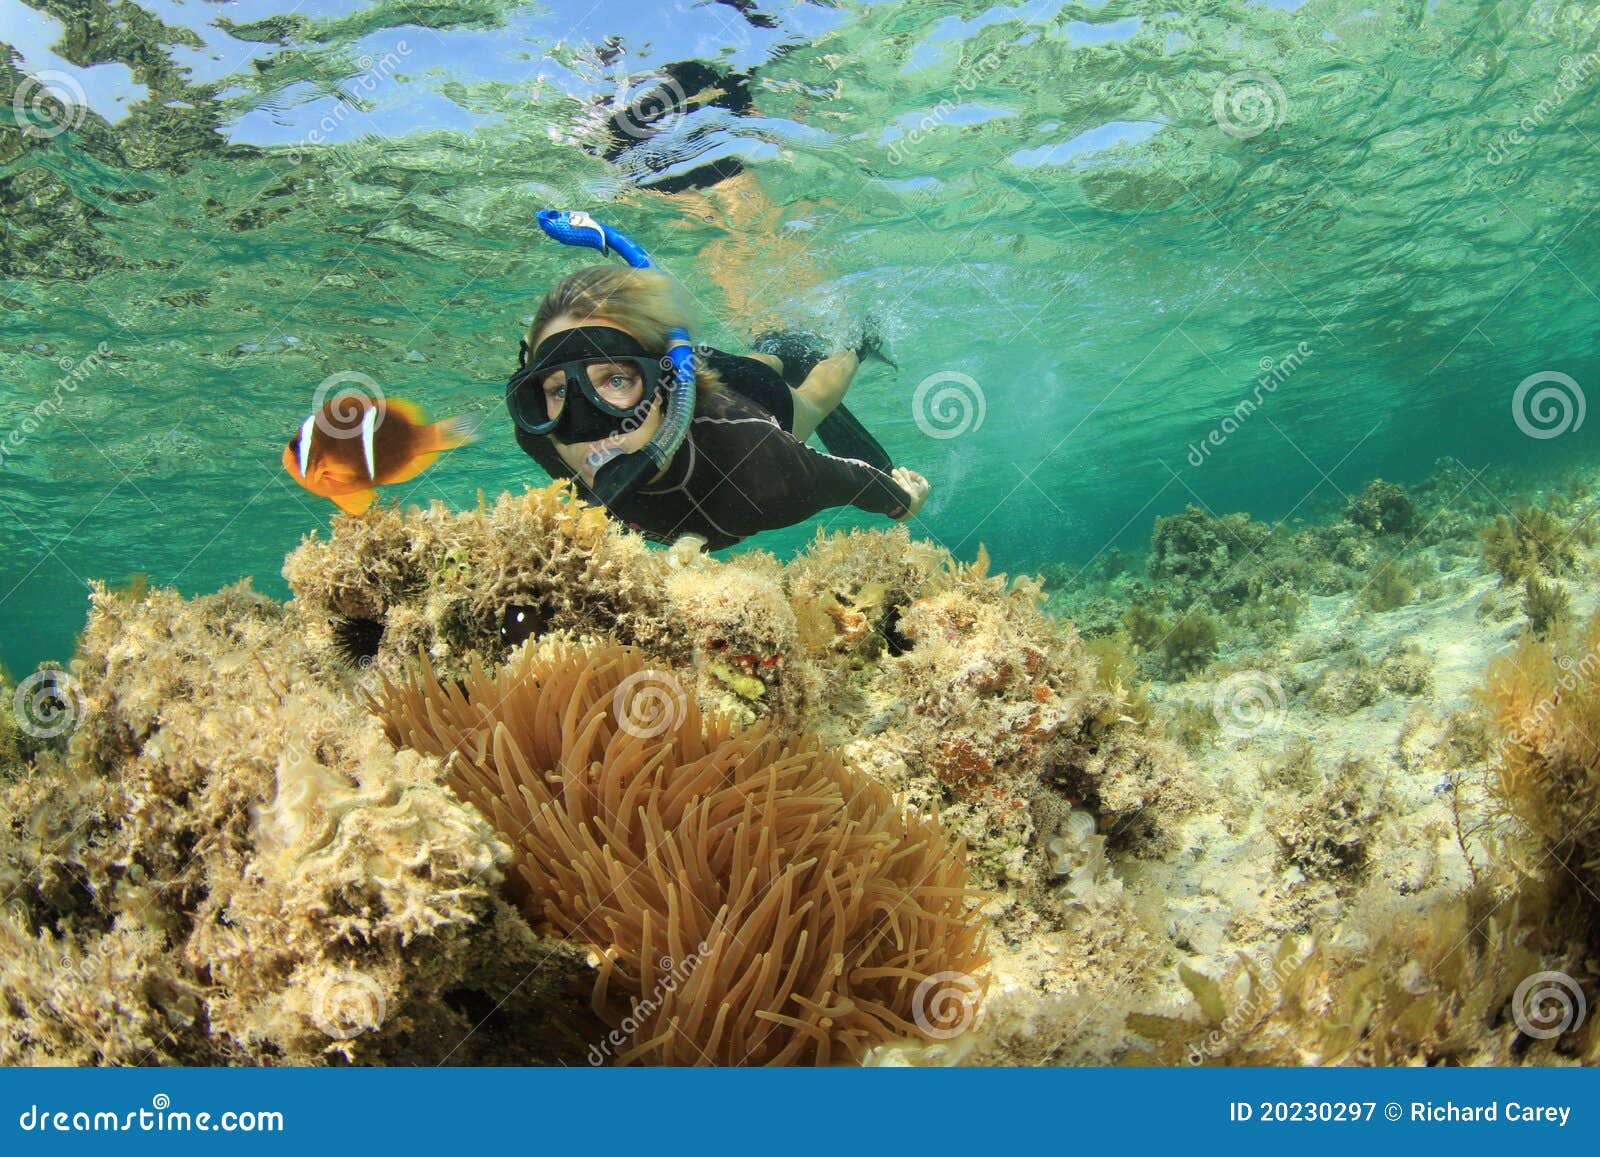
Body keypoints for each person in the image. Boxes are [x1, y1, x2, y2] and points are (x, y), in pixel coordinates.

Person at [508, 265, 930, 564]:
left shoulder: (758, 461)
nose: (583, 424)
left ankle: (857, 345)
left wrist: (904, 501)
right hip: (705, 369)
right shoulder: (543, 434)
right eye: (560, 389)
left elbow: (863, 484)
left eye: (616, 381)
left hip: (750, 398)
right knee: (758, 358)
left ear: (667, 387)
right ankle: (773, 350)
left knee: (816, 394)